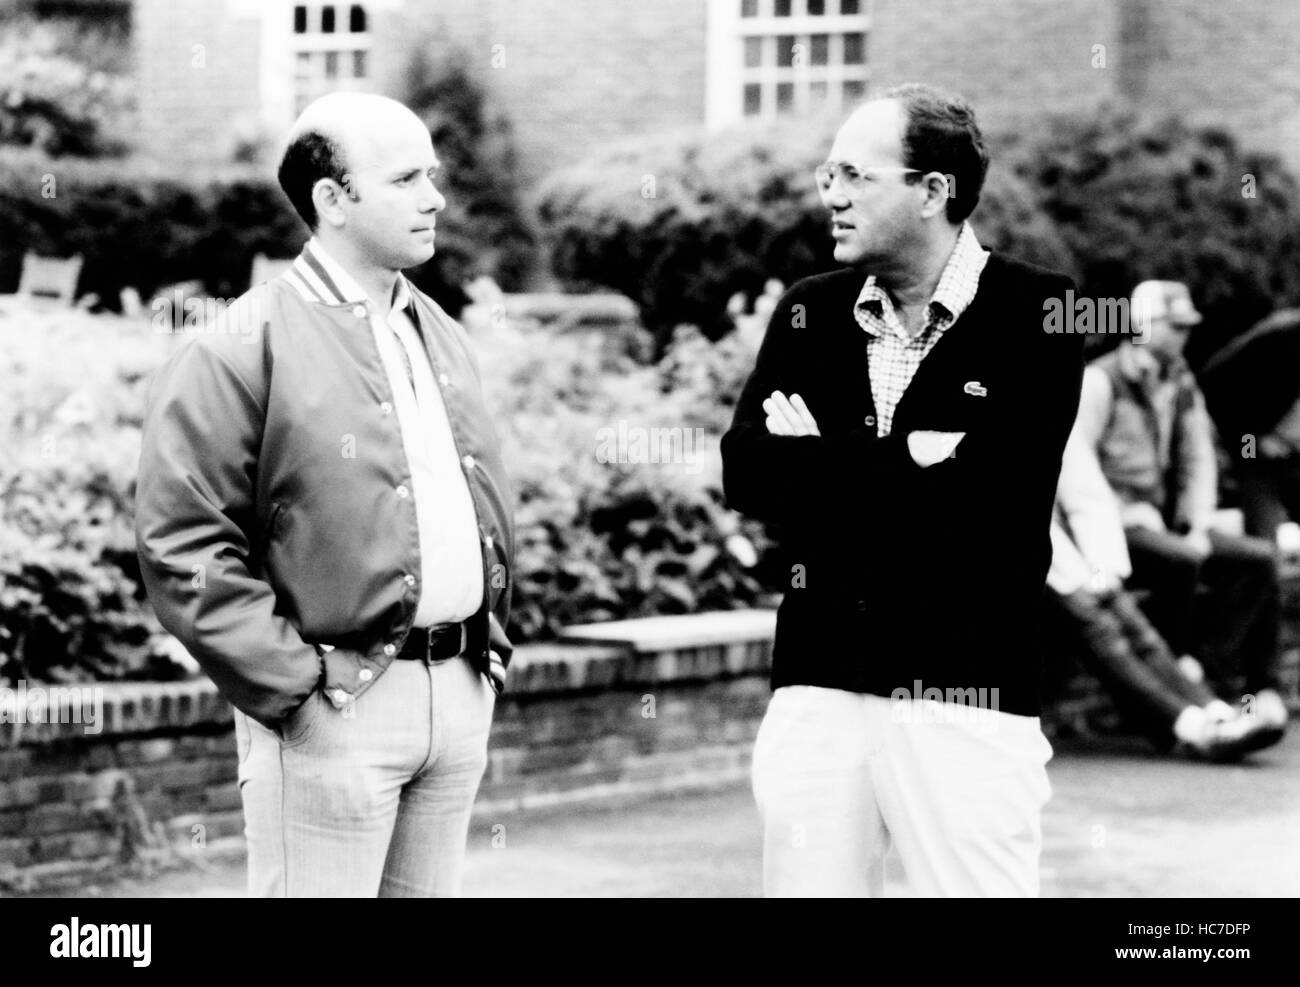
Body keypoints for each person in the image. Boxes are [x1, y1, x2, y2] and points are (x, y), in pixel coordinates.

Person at [134, 93, 515, 897]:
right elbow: (183, 539)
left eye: (433, 175)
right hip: (334, 708)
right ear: (332, 201)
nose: (435, 197)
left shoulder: (438, 330)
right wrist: (293, 688)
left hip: (457, 697)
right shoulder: (239, 343)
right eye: (406, 178)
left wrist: (486, 658)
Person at [721, 83, 1085, 897]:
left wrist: (821, 461)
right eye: (828, 174)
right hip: (818, 684)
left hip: (968, 692)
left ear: (933, 191)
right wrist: (911, 458)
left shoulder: (1044, 311)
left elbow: (989, 505)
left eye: (855, 174)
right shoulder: (809, 311)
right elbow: (748, 470)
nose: (832, 196)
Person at [1075, 280, 1289, 736]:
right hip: (1113, 525)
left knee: (1259, 560)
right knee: (1183, 560)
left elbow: (1198, 459)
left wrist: (1195, 521)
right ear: (1140, 325)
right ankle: (1186, 673)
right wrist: (1121, 515)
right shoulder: (1100, 380)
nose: (1183, 336)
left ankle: (1255, 686)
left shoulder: (1180, 379)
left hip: (1164, 522)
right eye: (1174, 326)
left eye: (1188, 327)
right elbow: (1076, 469)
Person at [1046, 425, 1283, 760]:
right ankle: (1191, 728)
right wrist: (1077, 577)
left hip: (1069, 553)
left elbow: (1084, 494)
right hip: (1026, 563)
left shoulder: (1047, 408)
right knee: (1097, 624)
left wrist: (1100, 573)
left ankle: (1213, 711)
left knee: (1128, 618)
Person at [1198, 308, 1300, 548]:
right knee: (1265, 543)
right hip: (1253, 447)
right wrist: (1254, 437)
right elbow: (1214, 382)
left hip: (1293, 455)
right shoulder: (1280, 335)